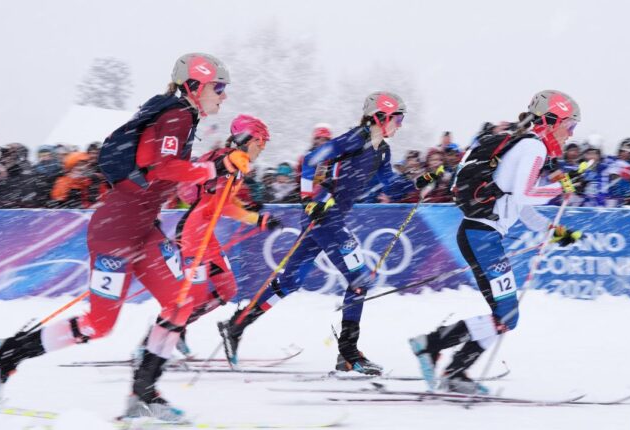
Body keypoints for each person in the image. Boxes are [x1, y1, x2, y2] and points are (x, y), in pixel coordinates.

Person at [0, 53, 243, 423]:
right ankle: (7, 353)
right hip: (117, 231)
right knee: (100, 324)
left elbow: (168, 171)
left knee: (180, 303)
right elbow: (161, 169)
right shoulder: (178, 114)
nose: (223, 95)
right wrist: (214, 167)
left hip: (142, 228)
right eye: (218, 87)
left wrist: (218, 167)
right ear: (194, 85)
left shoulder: (181, 117)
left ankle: (144, 394)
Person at [217, 91, 443, 375]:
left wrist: (421, 180)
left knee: (290, 282)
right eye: (397, 118)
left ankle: (236, 325)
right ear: (380, 117)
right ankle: (348, 353)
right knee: (359, 279)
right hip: (324, 216)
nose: (400, 124)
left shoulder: (382, 151)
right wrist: (310, 199)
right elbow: (312, 159)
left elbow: (391, 187)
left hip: (331, 218)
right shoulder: (355, 139)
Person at [408, 90, 585, 394]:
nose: (571, 134)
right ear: (552, 120)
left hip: (480, 234)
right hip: (482, 236)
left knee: (504, 316)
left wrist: (554, 231)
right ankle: (435, 348)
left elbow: (523, 208)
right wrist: (560, 188)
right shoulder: (533, 148)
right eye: (569, 125)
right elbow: (525, 194)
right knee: (507, 315)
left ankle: (453, 367)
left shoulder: (529, 146)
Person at [166, 114, 281, 354]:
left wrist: (256, 216)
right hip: (191, 234)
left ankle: (177, 327)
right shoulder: (229, 160)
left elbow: (225, 203)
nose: (262, 147)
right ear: (247, 139)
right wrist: (255, 218)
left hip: (205, 235)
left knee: (226, 290)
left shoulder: (237, 167)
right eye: (260, 142)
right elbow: (218, 199)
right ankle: (152, 343)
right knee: (192, 295)